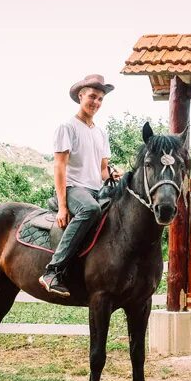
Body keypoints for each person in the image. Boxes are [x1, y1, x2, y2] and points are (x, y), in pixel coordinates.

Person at [38, 74, 119, 297]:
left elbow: (103, 171)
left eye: (101, 99)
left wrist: (114, 174)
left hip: (96, 190)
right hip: (74, 188)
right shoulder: (67, 127)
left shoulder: (101, 133)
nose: (96, 102)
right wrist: (63, 206)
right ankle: (52, 271)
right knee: (90, 209)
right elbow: (60, 168)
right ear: (81, 96)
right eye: (92, 96)